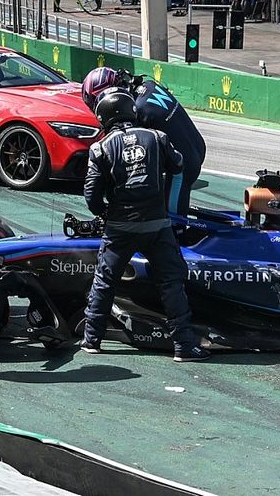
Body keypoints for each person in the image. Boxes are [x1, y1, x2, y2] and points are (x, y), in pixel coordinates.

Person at [82, 89, 210, 362]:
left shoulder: (100, 148)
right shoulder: (157, 137)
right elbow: (178, 165)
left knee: (104, 282)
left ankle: (91, 340)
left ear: (105, 118)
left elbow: (91, 196)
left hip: (120, 227)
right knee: (171, 283)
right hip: (156, 224)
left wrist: (107, 213)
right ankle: (184, 346)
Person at [82, 67, 206, 216]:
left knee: (173, 222)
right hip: (196, 145)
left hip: (183, 167)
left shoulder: (137, 110)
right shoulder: (148, 85)